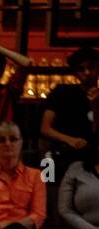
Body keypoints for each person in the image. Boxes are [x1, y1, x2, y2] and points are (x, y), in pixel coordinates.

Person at [40, 45, 99, 174]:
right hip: (60, 154)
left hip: (91, 159)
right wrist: (69, 140)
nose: (87, 73)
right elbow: (45, 129)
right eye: (81, 69)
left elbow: (95, 133)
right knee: (48, 172)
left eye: (91, 67)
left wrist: (95, 107)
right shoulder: (62, 92)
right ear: (75, 73)